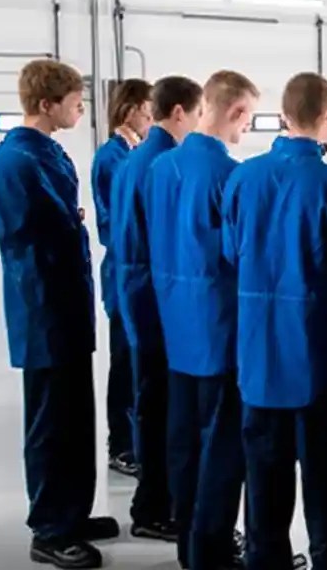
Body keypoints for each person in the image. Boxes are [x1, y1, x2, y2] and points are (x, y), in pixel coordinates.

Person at [222, 72, 327, 570]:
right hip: (322, 358)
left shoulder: (242, 179)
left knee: (264, 476)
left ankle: (265, 559)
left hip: (260, 355)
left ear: (283, 116)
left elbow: (231, 253)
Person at [0, 60, 119, 569]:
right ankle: (48, 529)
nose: (80, 109)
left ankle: (70, 512)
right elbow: (46, 229)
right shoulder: (21, 158)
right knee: (50, 420)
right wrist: (74, 222)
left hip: (63, 305)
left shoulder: (43, 151)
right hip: (44, 307)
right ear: (47, 105)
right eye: (73, 102)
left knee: (73, 414)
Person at [147, 71, 258, 570]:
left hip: (176, 327)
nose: (245, 131)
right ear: (234, 112)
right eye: (248, 119)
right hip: (220, 330)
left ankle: (188, 544)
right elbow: (241, 255)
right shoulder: (230, 177)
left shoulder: (158, 170)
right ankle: (211, 550)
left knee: (184, 442)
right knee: (221, 448)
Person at [112, 76, 205, 542]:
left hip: (135, 289)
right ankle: (156, 507)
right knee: (163, 404)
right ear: (181, 112)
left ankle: (153, 502)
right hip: (156, 295)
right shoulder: (164, 164)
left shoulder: (134, 159)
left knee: (151, 398)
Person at [90, 78, 153, 479]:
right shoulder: (112, 157)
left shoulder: (135, 153)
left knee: (140, 363)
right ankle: (122, 445)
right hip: (124, 273)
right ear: (129, 111)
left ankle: (139, 440)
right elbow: (116, 224)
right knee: (125, 362)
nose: (151, 119)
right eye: (147, 111)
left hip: (140, 274)